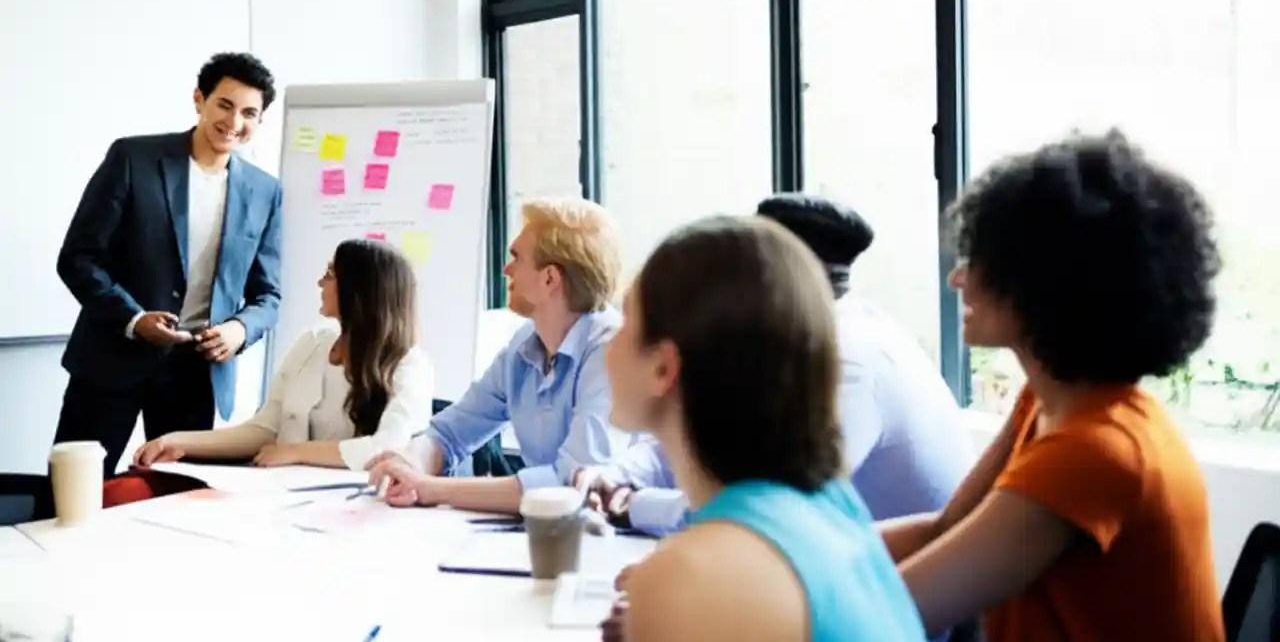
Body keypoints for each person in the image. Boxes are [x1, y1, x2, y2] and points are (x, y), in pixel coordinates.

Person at [881, 131, 1225, 640]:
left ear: (1047, 282)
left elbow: (891, 611)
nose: (958, 279)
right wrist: (788, 549)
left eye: (981, 261)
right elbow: (943, 529)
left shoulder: (1095, 452)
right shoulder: (1050, 404)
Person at [601, 215, 925, 641]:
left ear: (664, 367)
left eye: (625, 323)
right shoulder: (826, 502)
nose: (608, 346)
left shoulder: (692, 576)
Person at [577, 193, 974, 536]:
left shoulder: (846, 358)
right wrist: (618, 475)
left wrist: (634, 506)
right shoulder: (793, 341)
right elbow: (710, 435)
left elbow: (762, 505)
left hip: (906, 591)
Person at [54, 52, 284, 477]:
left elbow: (267, 295)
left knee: (180, 497)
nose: (234, 122)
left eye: (249, 113)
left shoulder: (265, 191)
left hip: (196, 371)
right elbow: (79, 258)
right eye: (225, 105)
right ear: (199, 99)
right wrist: (134, 318)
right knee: (74, 494)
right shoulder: (133, 158)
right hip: (112, 358)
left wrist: (239, 329)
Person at [367, 198, 625, 515]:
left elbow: (575, 484)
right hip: (546, 528)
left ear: (549, 279)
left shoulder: (613, 352)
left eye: (516, 258)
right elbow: (449, 433)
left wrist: (429, 488)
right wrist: (410, 461)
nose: (506, 270)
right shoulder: (524, 345)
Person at [132, 239, 434, 473]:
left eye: (330, 275)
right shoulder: (312, 342)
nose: (320, 282)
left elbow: (387, 448)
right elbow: (265, 429)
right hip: (279, 491)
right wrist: (177, 441)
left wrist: (296, 452)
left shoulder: (411, 366)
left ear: (359, 292)